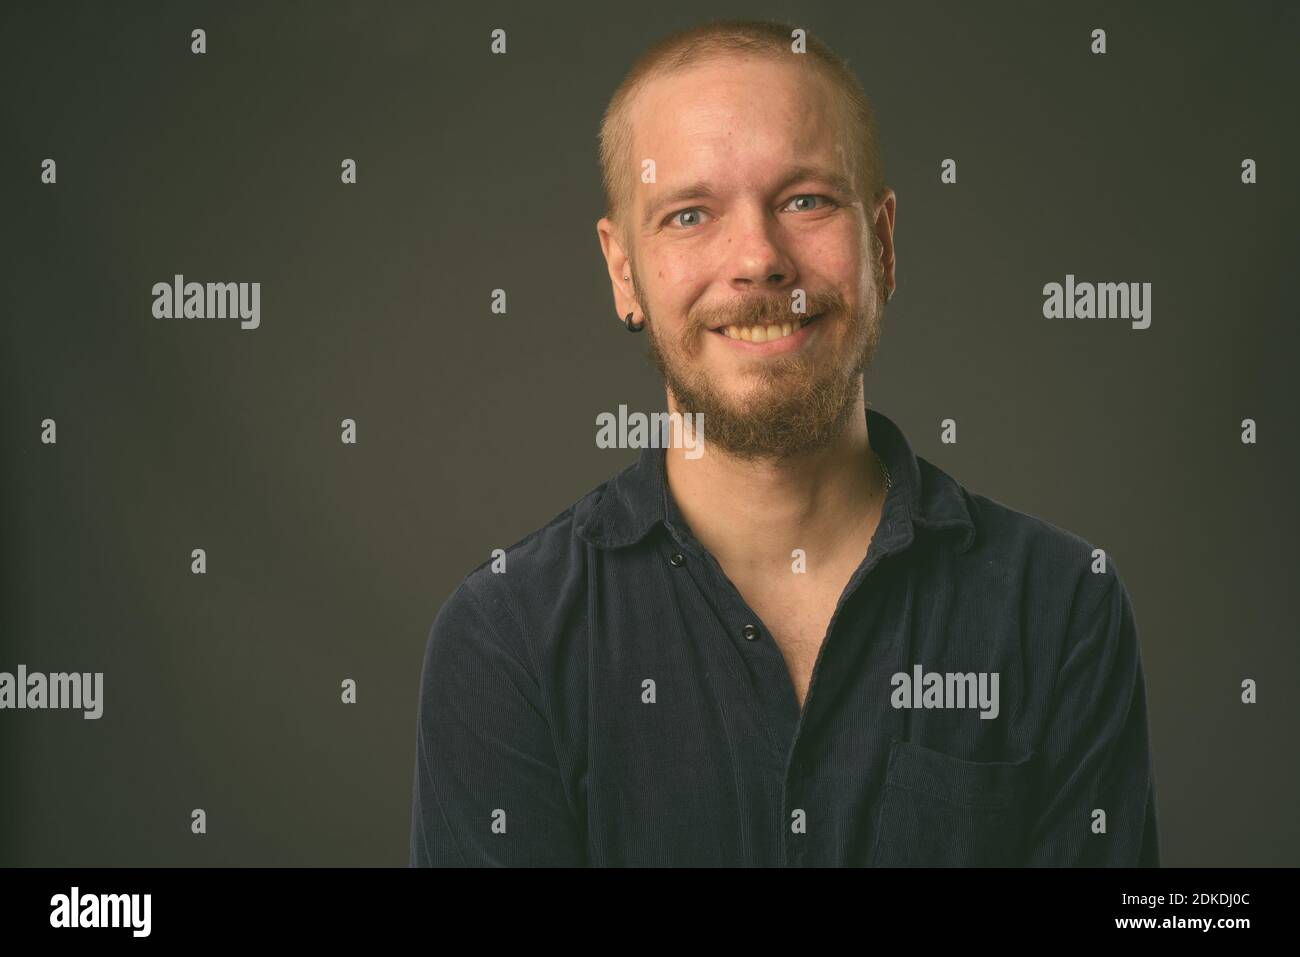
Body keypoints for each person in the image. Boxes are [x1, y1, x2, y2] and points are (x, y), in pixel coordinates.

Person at [409, 18, 1159, 867]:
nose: (758, 260)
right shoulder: (505, 640)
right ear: (624, 272)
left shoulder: (1060, 609)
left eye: (805, 200)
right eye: (690, 214)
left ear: (881, 241)